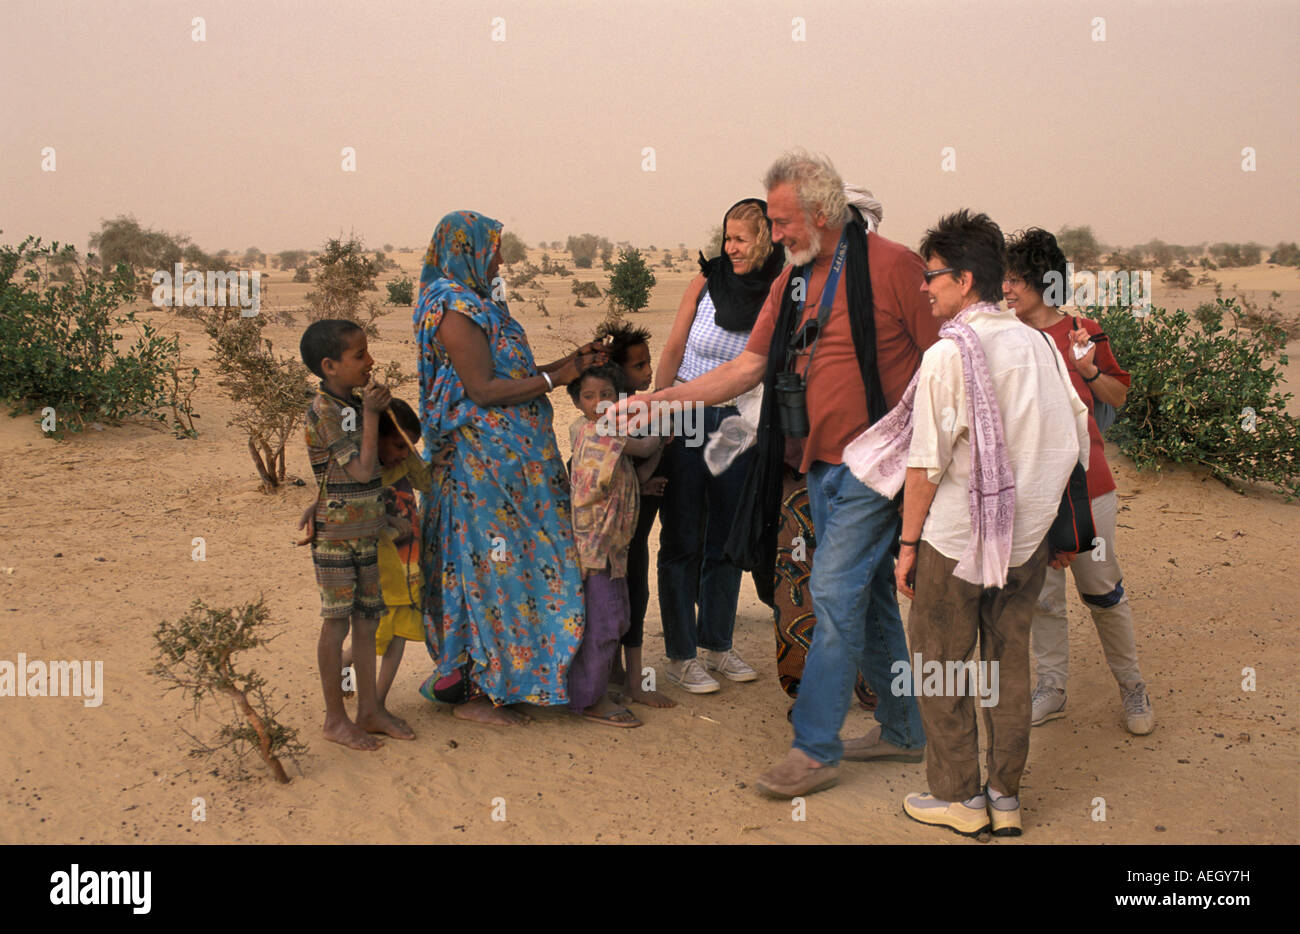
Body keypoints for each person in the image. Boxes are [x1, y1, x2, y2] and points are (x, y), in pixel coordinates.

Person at [620, 151, 941, 797]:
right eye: (770, 222)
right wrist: (658, 401)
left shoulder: (894, 266)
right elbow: (746, 369)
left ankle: (814, 747)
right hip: (815, 464)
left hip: (873, 466)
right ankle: (904, 729)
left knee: (833, 593)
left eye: (785, 221)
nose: (777, 235)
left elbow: (944, 362)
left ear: (824, 213)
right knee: (870, 595)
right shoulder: (792, 283)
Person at [880, 209, 1089, 836]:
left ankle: (959, 799)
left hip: (955, 543)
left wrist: (909, 545)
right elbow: (1074, 435)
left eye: (934, 275)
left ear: (966, 279)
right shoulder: (1037, 344)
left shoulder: (949, 356)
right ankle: (1006, 797)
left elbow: (924, 466)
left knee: (942, 663)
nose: (926, 287)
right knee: (1007, 666)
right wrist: (1038, 520)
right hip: (1024, 544)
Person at [413, 210, 605, 726]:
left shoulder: (479, 302)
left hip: (515, 467)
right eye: (492, 248)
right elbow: (482, 390)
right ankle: (480, 692)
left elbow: (511, 370)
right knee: (488, 574)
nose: (500, 257)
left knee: (521, 566)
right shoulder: (453, 307)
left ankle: (522, 679)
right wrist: (558, 375)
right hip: (484, 471)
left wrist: (569, 364)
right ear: (465, 249)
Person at [1004, 228, 1154, 735]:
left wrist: (1088, 370)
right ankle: (1053, 688)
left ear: (1042, 284)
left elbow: (1120, 396)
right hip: (1031, 492)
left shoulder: (1083, 331)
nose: (1006, 289)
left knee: (1101, 588)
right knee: (1043, 593)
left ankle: (1132, 687)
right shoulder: (1006, 337)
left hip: (1090, 489)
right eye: (1003, 278)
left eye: (1015, 279)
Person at [652, 198, 785, 694]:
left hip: (741, 423)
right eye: (726, 238)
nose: (730, 248)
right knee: (682, 535)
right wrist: (660, 409)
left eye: (741, 239)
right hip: (688, 415)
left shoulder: (781, 291)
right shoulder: (705, 283)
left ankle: (718, 644)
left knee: (726, 540)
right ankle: (680, 655)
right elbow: (673, 349)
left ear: (766, 239)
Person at [298, 319, 415, 748]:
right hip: (336, 539)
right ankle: (335, 718)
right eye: (359, 355)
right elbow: (363, 469)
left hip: (367, 533)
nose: (370, 362)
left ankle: (369, 710)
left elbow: (364, 475)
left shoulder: (348, 405)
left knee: (368, 623)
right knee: (336, 626)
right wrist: (371, 414)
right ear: (330, 365)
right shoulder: (325, 412)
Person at [566, 364, 664, 727]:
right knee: (605, 622)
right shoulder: (602, 432)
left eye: (606, 395)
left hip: (608, 549)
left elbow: (632, 477)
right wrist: (661, 421)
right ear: (577, 403)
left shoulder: (589, 432)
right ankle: (591, 700)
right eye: (589, 396)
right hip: (599, 548)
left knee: (612, 618)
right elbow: (648, 444)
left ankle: (593, 691)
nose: (599, 402)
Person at [592, 321, 676, 708]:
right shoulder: (613, 418)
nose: (647, 371)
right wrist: (643, 479)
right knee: (622, 595)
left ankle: (626, 678)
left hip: (634, 527)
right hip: (620, 529)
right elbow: (616, 465)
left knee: (633, 595)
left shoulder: (637, 409)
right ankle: (625, 680)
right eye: (638, 365)